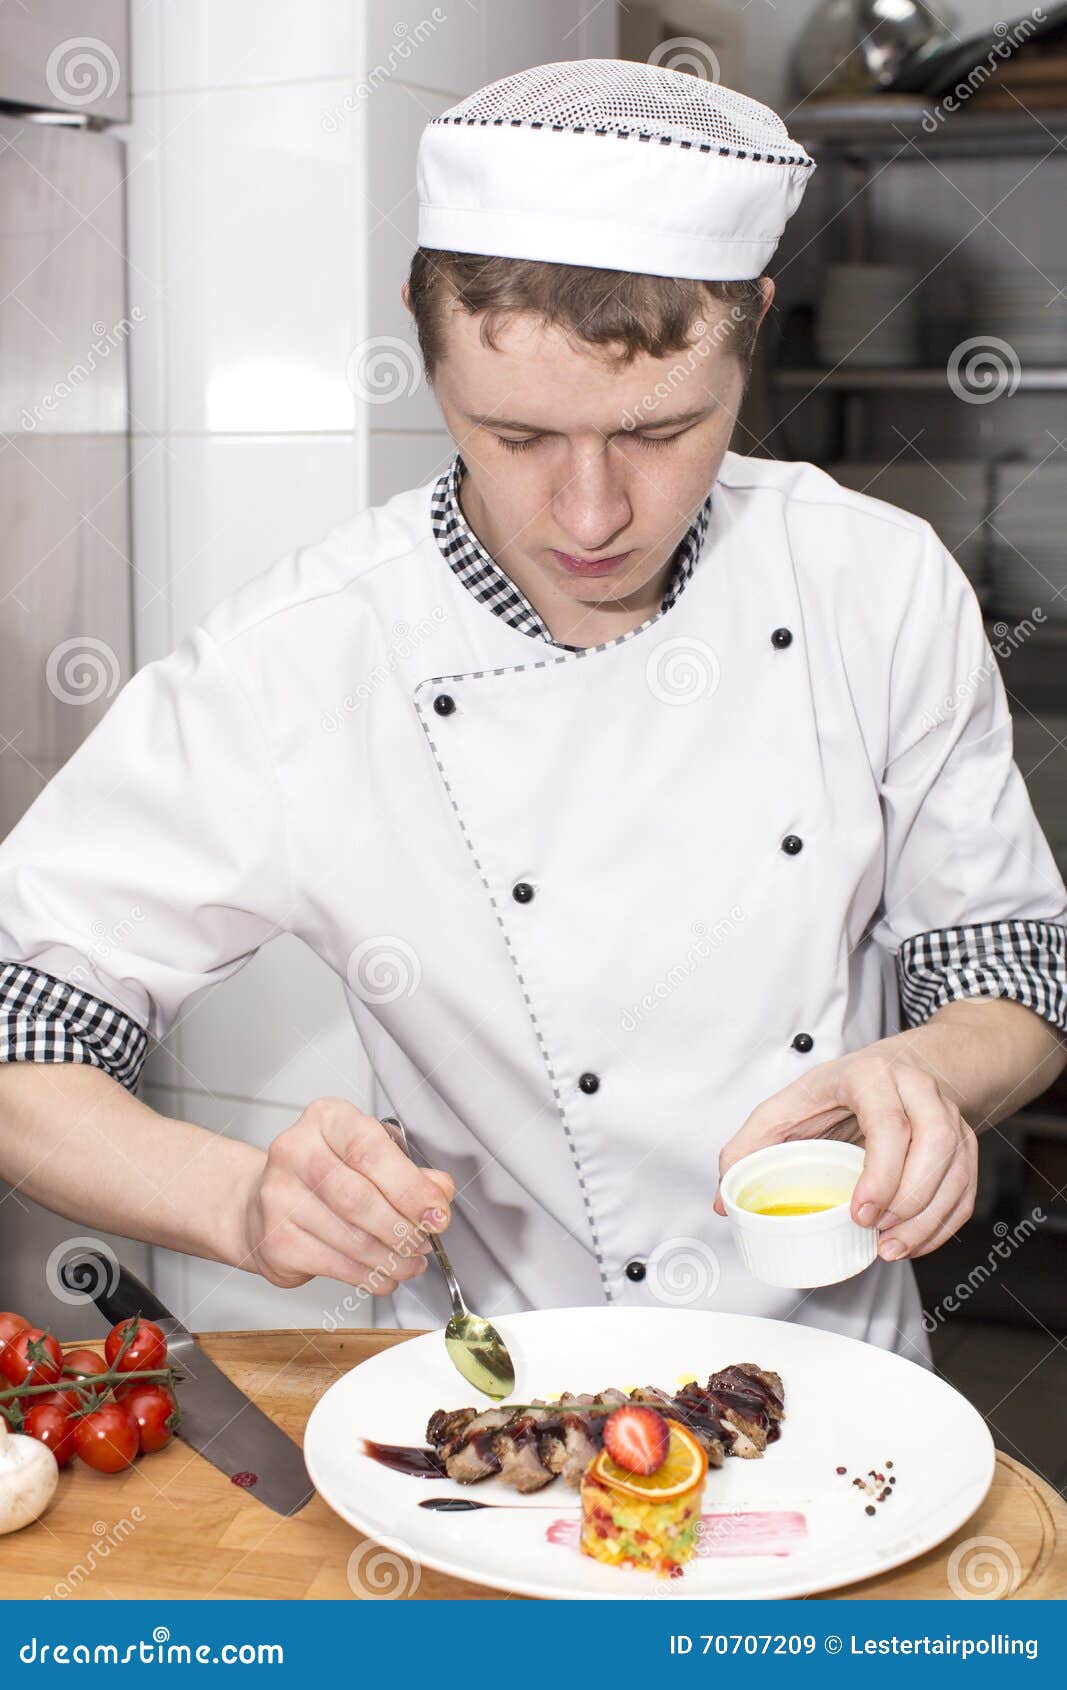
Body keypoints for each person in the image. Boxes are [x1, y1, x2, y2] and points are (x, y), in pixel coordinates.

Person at [1, 60, 1064, 1365]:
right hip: (504, 1412)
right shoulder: (307, 658)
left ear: (756, 332)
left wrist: (931, 1076)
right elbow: (19, 1032)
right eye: (517, 437)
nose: (591, 514)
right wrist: (235, 1199)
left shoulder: (878, 583)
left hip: (849, 1384)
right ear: (420, 332)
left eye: (660, 431)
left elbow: (1010, 969)